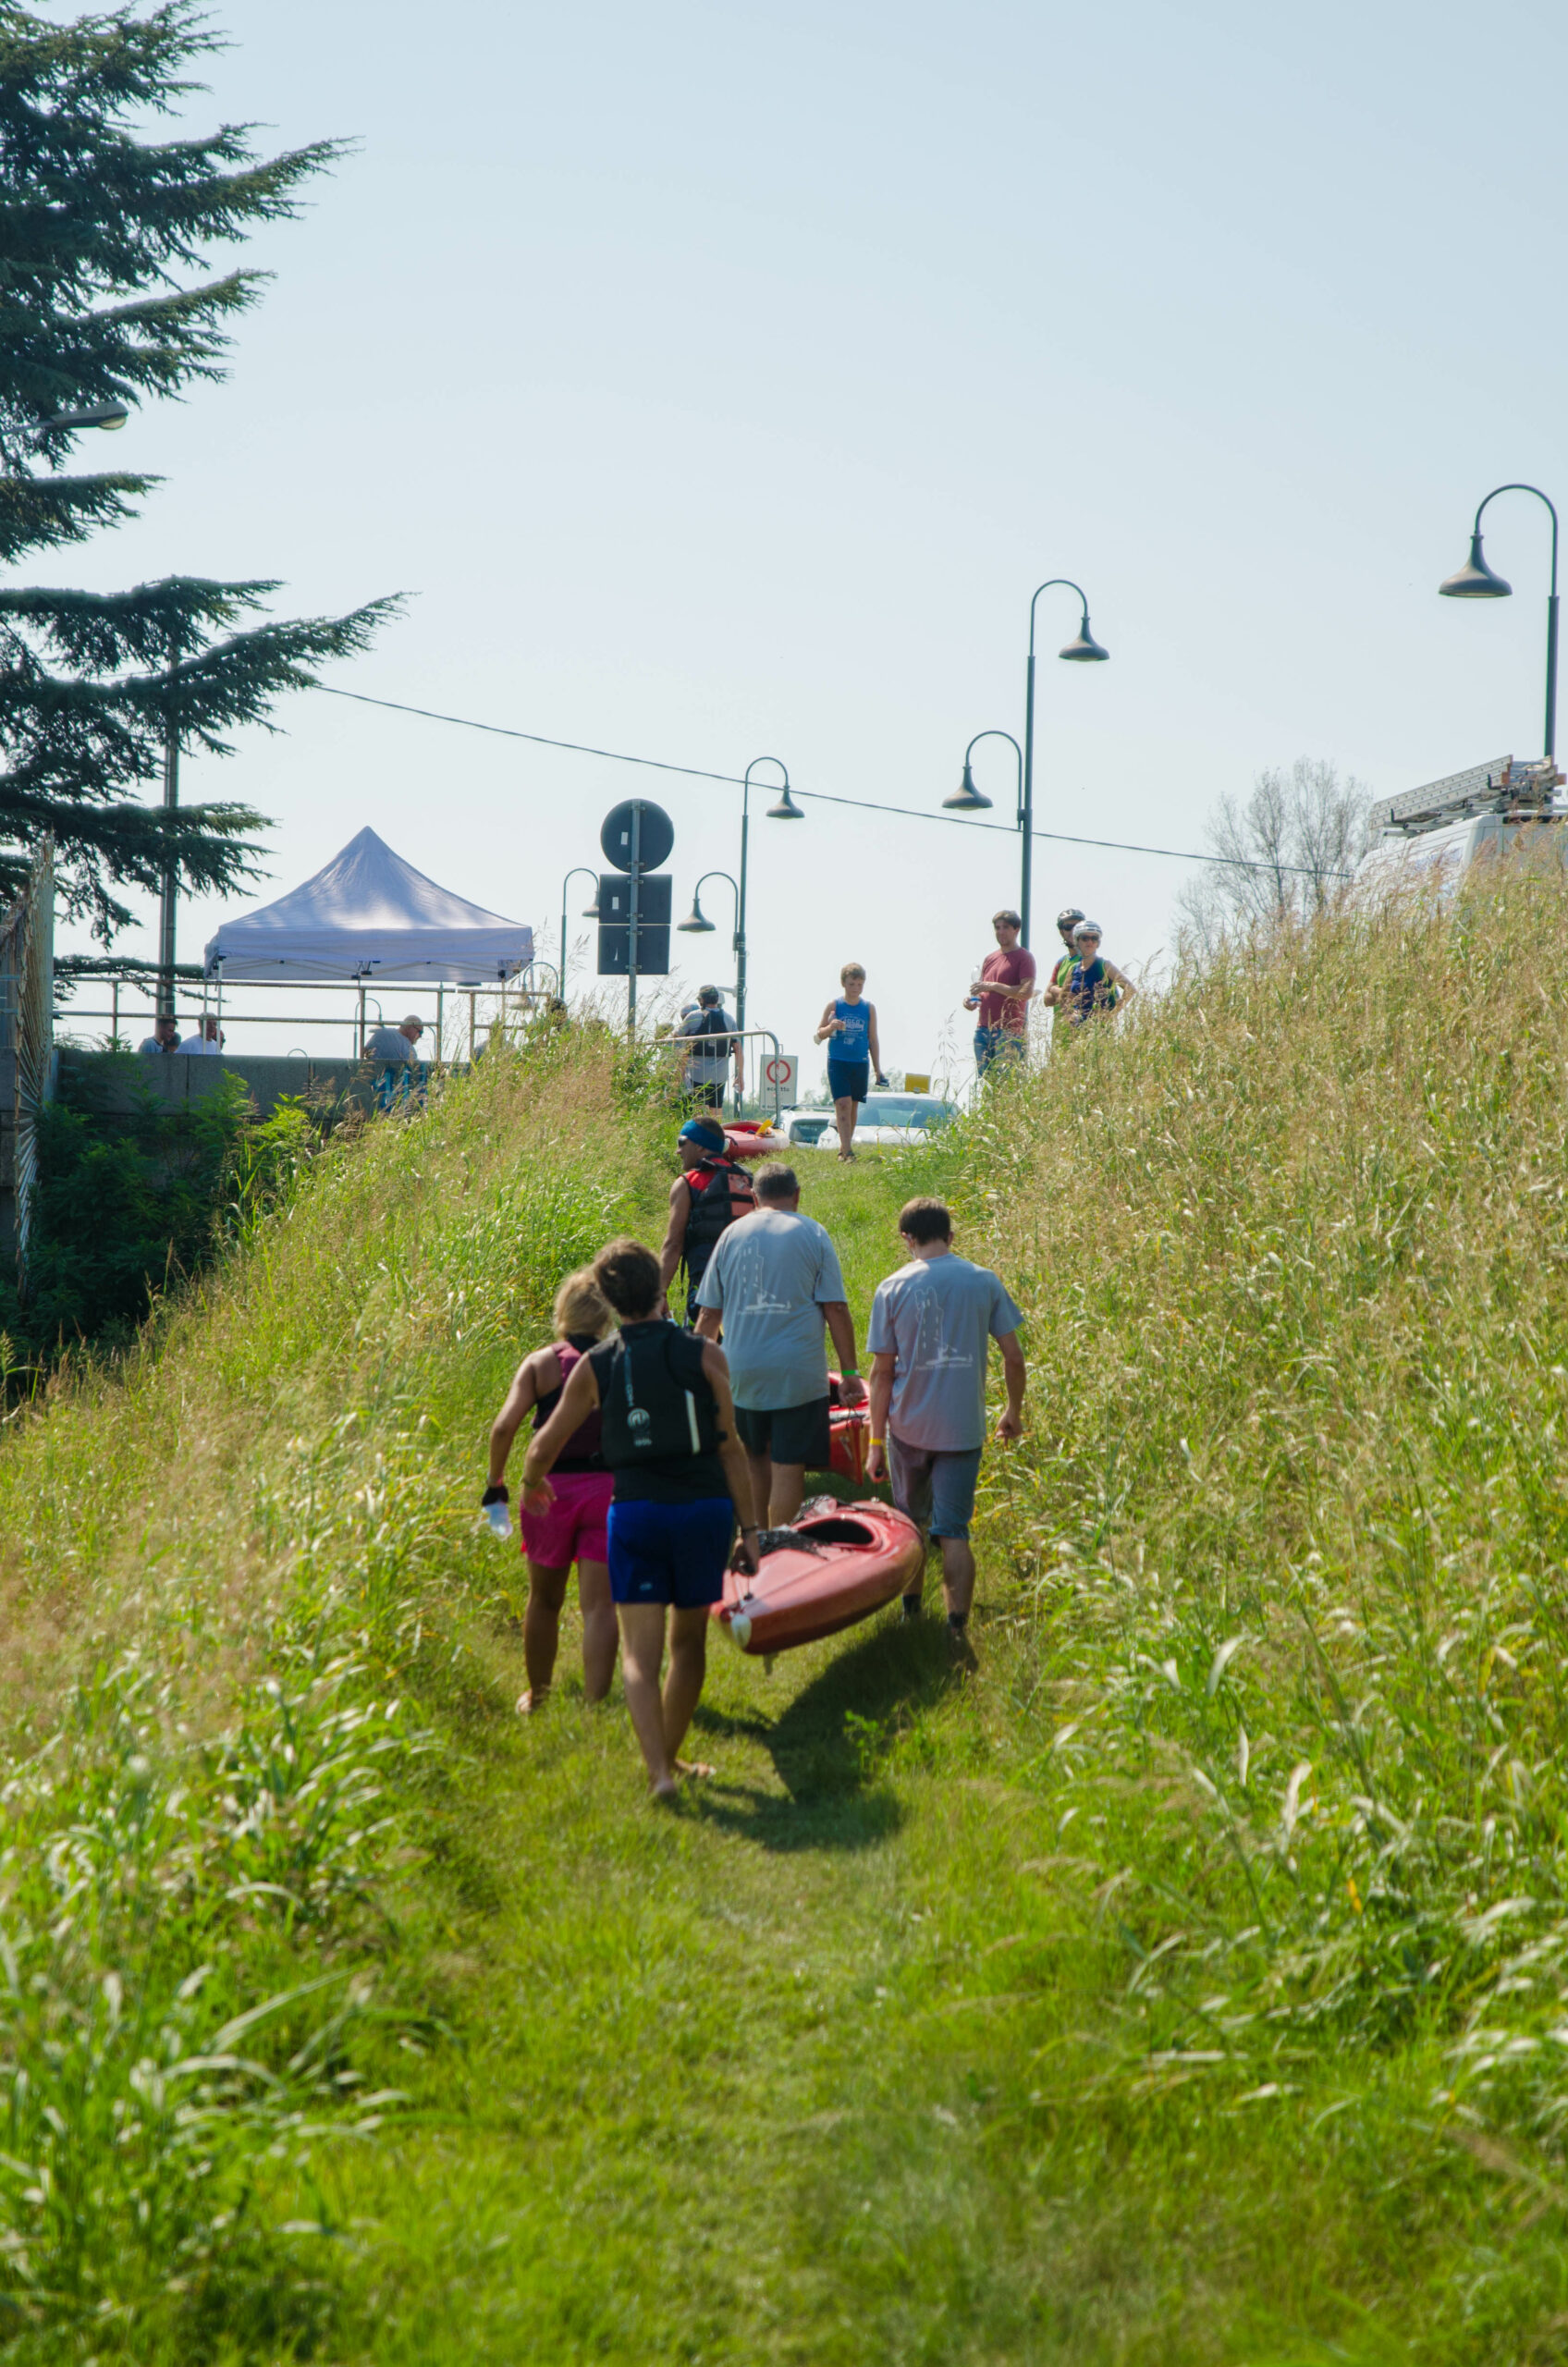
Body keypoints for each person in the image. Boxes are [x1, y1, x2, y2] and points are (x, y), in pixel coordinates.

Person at [520, 1236, 760, 1800]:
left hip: (635, 1513)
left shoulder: (596, 1365)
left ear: (608, 1299)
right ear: (660, 1287)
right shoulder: (705, 1354)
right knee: (689, 1646)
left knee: (639, 1655)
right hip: (704, 1511)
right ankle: (672, 1759)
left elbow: (541, 1448)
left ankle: (657, 1773)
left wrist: (532, 1485)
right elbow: (731, 1449)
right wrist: (751, 1532)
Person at [865, 1196, 1025, 1657]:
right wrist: (1012, 1411)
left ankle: (910, 1611)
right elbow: (1014, 1356)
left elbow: (881, 1374)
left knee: (911, 1525)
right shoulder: (983, 1281)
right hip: (962, 1429)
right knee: (954, 1530)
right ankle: (957, 1628)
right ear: (951, 1237)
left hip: (908, 1429)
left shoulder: (891, 1288)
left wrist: (876, 1442)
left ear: (906, 1239)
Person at [692, 1162, 865, 1527]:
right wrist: (849, 1373)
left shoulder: (730, 1235)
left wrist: (693, 1374)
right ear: (797, 1195)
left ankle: (754, 1538)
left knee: (754, 1457)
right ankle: (780, 1544)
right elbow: (835, 1308)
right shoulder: (814, 1233)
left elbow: (709, 1316)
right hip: (798, 1373)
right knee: (789, 1464)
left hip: (741, 1372)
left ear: (754, 1198)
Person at [484, 1267, 619, 1715]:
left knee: (544, 1600)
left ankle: (537, 1695)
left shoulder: (541, 1363)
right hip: (607, 1489)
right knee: (600, 1605)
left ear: (563, 1313)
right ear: (605, 1317)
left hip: (548, 1491)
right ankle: (596, 1702)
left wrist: (496, 1483)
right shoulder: (618, 1359)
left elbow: (504, 1427)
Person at [657, 1115, 757, 1324]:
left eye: (682, 1143)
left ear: (701, 1147)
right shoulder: (748, 1180)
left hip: (704, 1287)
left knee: (700, 1352)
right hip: (749, 1287)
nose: (678, 1150)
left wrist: (659, 1292)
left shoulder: (689, 1183)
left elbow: (673, 1244)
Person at [813, 963, 888, 1161]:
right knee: (842, 1103)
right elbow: (818, 1035)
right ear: (844, 984)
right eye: (852, 984)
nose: (856, 988)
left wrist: (878, 1069)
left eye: (860, 984)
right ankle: (847, 1151)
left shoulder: (868, 1008)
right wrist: (830, 1027)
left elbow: (873, 1039)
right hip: (838, 1061)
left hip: (860, 1062)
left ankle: (844, 1147)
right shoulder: (834, 1006)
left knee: (853, 1105)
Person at [962, 909, 1036, 1080]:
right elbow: (985, 993)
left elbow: (1026, 992)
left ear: (1016, 929)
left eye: (1005, 927)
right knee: (985, 1083)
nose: (1000, 932)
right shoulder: (990, 959)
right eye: (997, 928)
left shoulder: (1024, 957)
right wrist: (972, 1002)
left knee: (1005, 1083)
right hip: (983, 1029)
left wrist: (994, 986)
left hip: (1008, 1031)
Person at [1048, 920, 1135, 1030]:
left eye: (1094, 939)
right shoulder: (1074, 969)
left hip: (1102, 1031)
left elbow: (1130, 989)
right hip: (1078, 1031)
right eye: (1085, 938)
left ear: (1098, 943)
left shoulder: (1104, 965)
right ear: (1077, 941)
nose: (1090, 942)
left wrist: (1113, 1014)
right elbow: (1064, 997)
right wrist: (1069, 1015)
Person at [675, 985, 742, 1111]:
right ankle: (717, 1130)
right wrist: (740, 1075)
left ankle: (700, 1130)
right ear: (717, 1000)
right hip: (720, 1075)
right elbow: (738, 1049)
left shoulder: (693, 1016)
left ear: (701, 1000)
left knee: (699, 1111)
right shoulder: (729, 1019)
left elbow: (676, 1037)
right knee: (716, 1110)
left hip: (697, 1073)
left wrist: (680, 1069)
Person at [365, 1012, 427, 1114]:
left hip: (372, 1088)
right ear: (410, 1027)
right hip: (396, 1094)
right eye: (419, 1032)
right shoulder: (408, 1047)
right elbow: (414, 1070)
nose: (420, 1036)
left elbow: (365, 1052)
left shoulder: (381, 1033)